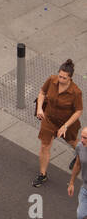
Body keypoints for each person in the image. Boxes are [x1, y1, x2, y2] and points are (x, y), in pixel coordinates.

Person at [35, 60, 82, 188]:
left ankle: (81, 153)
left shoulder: (76, 92)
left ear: (70, 78)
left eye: (64, 78)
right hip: (49, 119)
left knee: (73, 142)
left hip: (67, 123)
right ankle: (42, 174)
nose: (60, 79)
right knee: (45, 145)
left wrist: (65, 126)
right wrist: (39, 108)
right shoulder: (51, 80)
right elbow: (42, 92)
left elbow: (78, 111)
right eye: (60, 76)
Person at [70, 127, 87, 219]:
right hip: (85, 187)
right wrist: (72, 183)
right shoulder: (80, 146)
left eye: (85, 138)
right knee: (80, 216)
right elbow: (77, 164)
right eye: (82, 137)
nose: (82, 140)